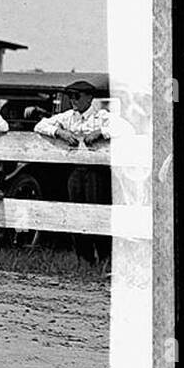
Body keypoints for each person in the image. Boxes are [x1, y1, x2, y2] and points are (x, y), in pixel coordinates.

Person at [33, 79, 121, 266]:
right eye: (70, 96)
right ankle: (85, 260)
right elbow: (40, 126)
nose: (73, 100)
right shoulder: (67, 117)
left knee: (97, 215)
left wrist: (102, 132)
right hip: (75, 171)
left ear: (89, 97)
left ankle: (106, 260)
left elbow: (126, 128)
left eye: (77, 96)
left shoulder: (101, 116)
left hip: (97, 172)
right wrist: (59, 132)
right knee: (76, 214)